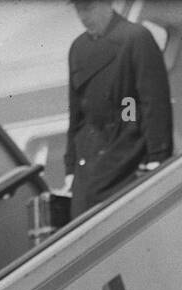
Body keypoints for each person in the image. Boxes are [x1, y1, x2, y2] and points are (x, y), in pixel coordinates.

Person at [63, 0, 173, 218]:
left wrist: (157, 157)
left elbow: (154, 102)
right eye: (79, 9)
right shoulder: (78, 48)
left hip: (128, 148)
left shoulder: (136, 38)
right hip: (89, 154)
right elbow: (76, 116)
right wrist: (70, 168)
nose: (83, 16)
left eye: (88, 7)